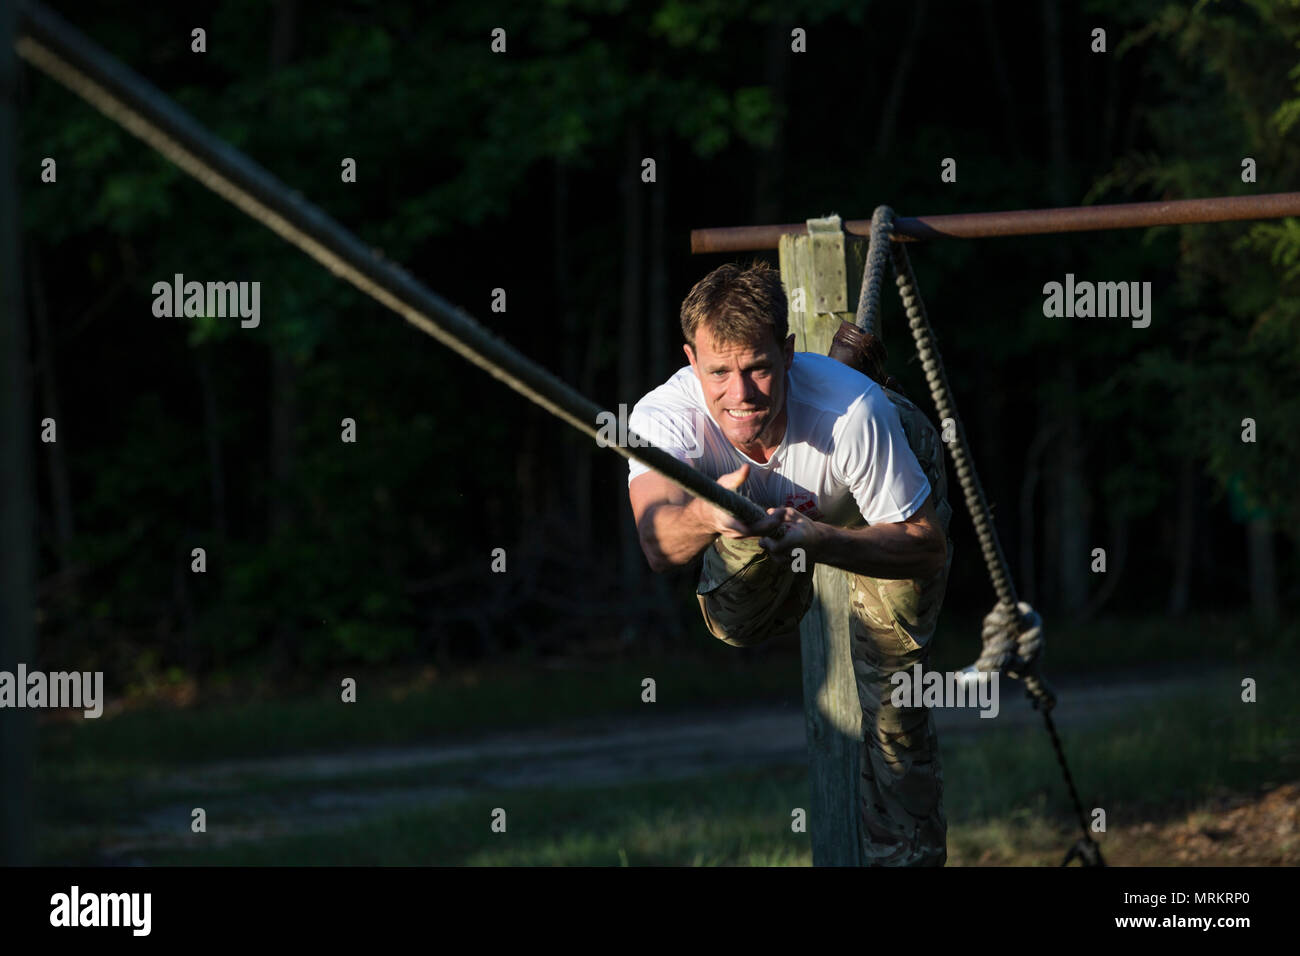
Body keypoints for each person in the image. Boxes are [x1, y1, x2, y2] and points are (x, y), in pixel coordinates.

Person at [626, 261, 954, 866]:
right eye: (719, 372)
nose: (741, 394)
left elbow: (924, 543)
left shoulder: (855, 412)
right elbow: (657, 544)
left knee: (894, 709)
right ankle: (762, 545)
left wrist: (821, 542)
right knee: (735, 614)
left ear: (788, 350)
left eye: (757, 368)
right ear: (691, 360)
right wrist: (712, 517)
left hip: (879, 508)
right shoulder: (662, 418)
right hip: (762, 529)